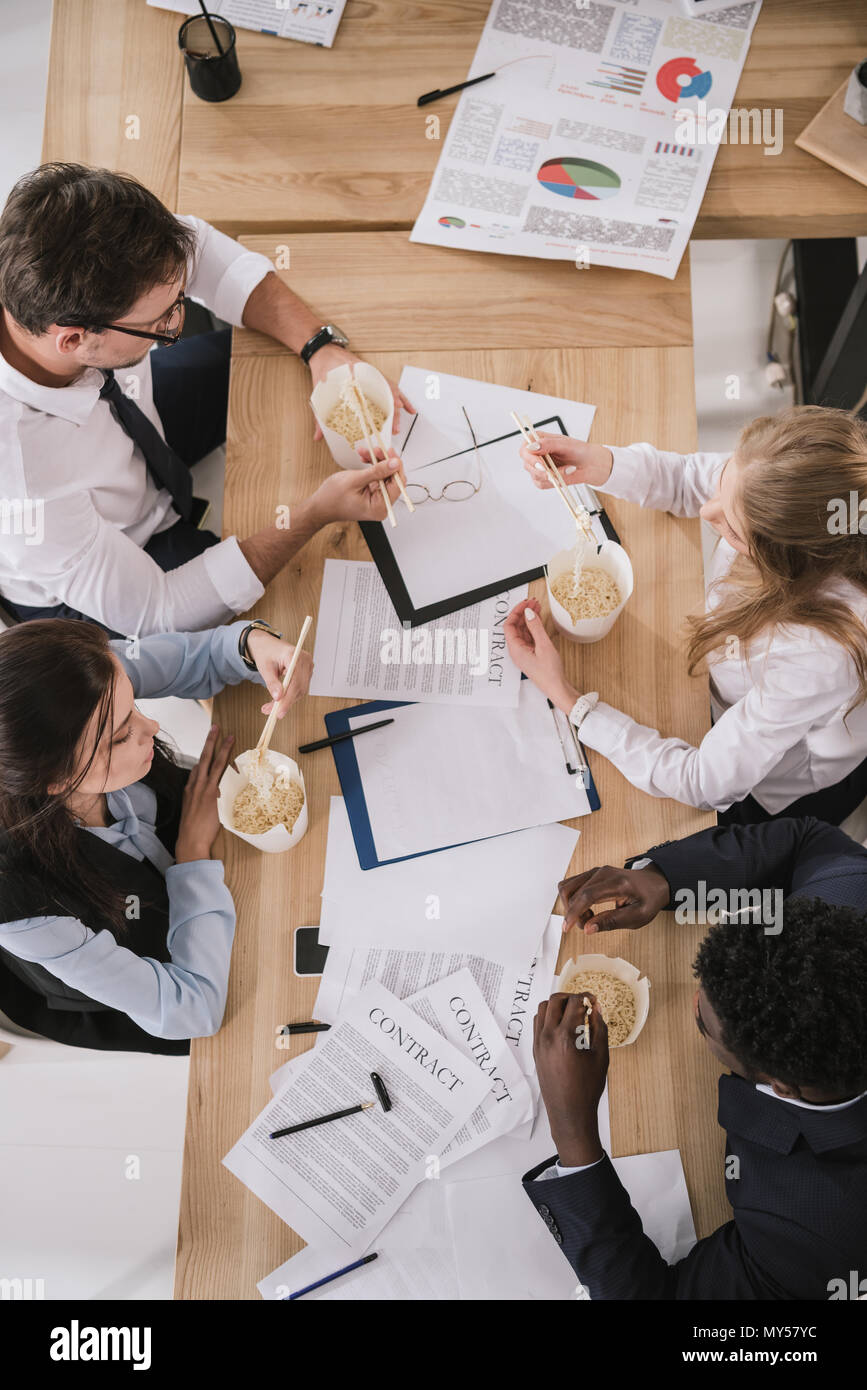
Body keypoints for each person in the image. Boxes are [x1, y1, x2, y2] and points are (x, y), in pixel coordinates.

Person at [0, 162, 412, 637]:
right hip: (123, 558)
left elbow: (202, 252)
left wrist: (318, 347)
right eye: (162, 322)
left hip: (137, 409)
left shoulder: (61, 274)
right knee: (282, 619)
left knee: (262, 364)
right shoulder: (28, 491)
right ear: (72, 341)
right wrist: (315, 513)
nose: (180, 317)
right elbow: (161, 610)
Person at [524, 817, 867, 1299]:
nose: (691, 1002)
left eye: (704, 1024)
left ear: (783, 1086)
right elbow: (809, 840)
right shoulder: (852, 896)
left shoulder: (814, 1237)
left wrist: (573, 1131)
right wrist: (666, 879)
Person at [504, 406, 867, 825]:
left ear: (785, 563)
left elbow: (704, 784)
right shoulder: (770, 483)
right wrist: (598, 461)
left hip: (773, 785)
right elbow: (686, 480)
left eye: (730, 529)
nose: (706, 513)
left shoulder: (817, 654)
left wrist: (568, 698)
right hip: (719, 694)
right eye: (725, 478)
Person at [0, 615, 311, 1052]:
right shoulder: (21, 907)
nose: (153, 727)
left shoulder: (76, 679)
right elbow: (193, 1009)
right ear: (55, 780)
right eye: (123, 735)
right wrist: (192, 856)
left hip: (208, 863)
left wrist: (251, 643)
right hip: (162, 968)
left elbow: (196, 656)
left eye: (136, 705)